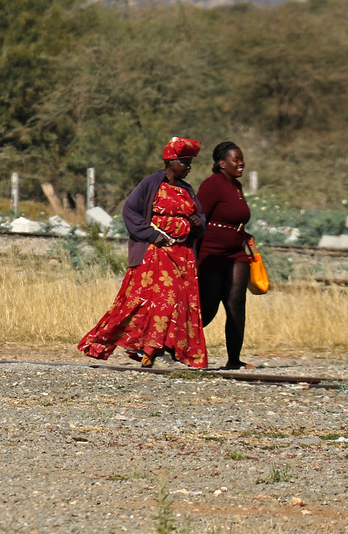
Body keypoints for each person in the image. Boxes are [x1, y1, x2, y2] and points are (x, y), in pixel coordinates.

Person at [77, 137, 208, 369]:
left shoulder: (187, 189)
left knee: (178, 303)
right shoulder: (151, 184)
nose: (189, 167)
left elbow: (200, 215)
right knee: (162, 302)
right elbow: (131, 210)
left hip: (182, 254)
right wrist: (151, 234)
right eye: (185, 162)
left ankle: (163, 350)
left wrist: (198, 220)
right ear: (171, 161)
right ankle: (153, 351)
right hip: (156, 253)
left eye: (190, 163)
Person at [196, 141, 254, 370]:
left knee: (236, 303)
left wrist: (242, 234)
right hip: (212, 253)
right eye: (236, 160)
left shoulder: (236, 186)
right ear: (222, 164)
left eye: (241, 159)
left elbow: (232, 218)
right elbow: (199, 219)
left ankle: (234, 360)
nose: (241, 164)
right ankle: (169, 346)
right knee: (208, 308)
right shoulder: (212, 185)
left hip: (236, 252)